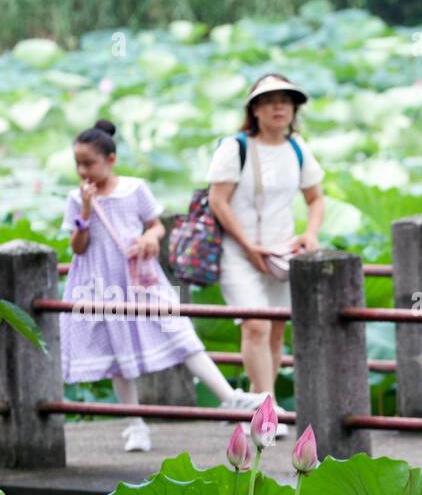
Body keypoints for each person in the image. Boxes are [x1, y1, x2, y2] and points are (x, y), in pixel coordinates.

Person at [61, 119, 264, 452]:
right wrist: (85, 209)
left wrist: (150, 239)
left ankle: (230, 398)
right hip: (101, 284)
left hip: (142, 280)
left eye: (89, 163)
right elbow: (78, 246)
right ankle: (135, 425)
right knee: (119, 354)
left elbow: (156, 226)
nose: (83, 171)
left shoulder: (134, 189)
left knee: (181, 334)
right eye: (78, 164)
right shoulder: (77, 199)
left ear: (110, 160)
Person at [207, 73, 325, 436]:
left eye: (285, 101)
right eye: (270, 100)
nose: (278, 107)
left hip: (279, 255)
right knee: (255, 326)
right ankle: (268, 413)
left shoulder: (297, 148)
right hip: (239, 253)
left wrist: (310, 234)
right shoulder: (236, 147)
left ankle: (262, 408)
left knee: (275, 333)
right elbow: (218, 200)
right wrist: (246, 245)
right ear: (254, 109)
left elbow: (316, 197)